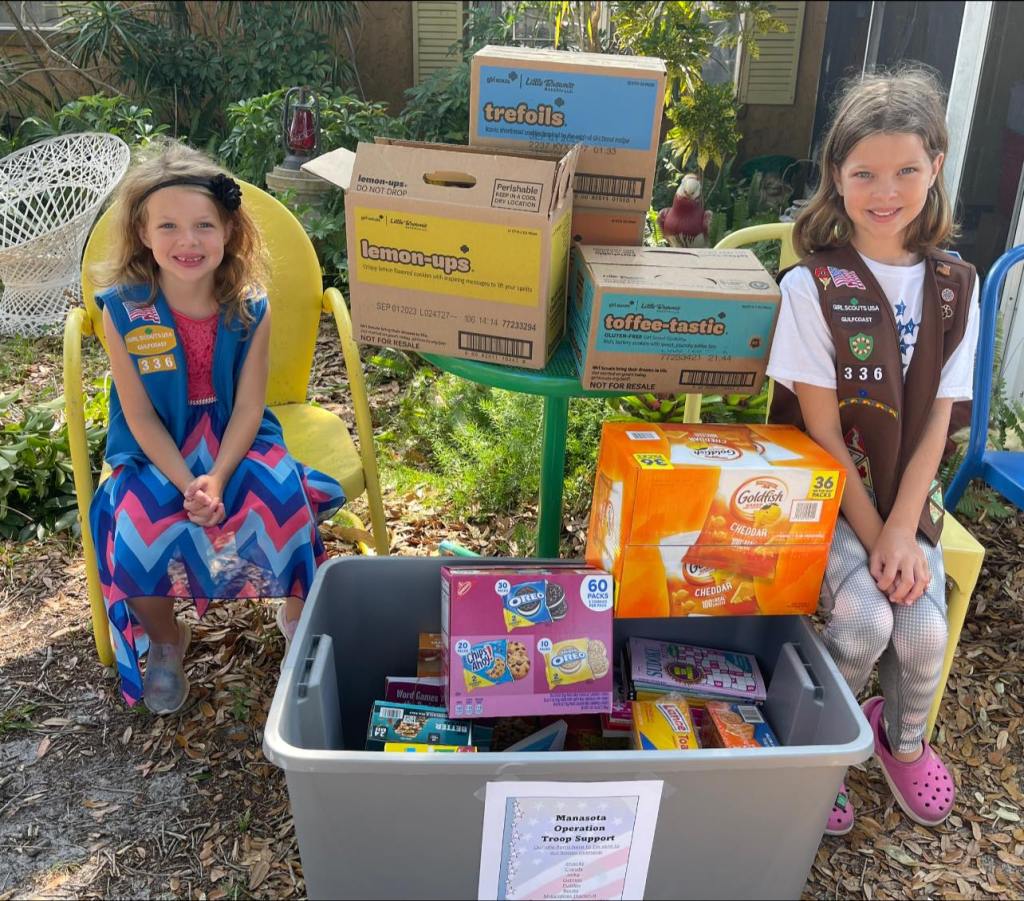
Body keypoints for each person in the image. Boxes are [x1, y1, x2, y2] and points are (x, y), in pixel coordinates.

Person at [766, 68, 980, 834]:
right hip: (828, 496)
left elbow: (939, 420)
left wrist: (903, 529)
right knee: (862, 620)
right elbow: (821, 434)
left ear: (936, 167)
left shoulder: (958, 284)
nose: (885, 190)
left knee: (921, 631)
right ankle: (821, 746)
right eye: (864, 173)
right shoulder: (812, 287)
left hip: (908, 501)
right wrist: (874, 529)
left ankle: (900, 739)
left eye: (906, 171)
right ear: (837, 176)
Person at [90, 139, 345, 715]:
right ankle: (165, 639)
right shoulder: (124, 310)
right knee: (134, 525)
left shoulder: (250, 305)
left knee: (282, 501)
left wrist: (220, 475)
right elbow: (138, 415)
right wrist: (189, 483)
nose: (188, 241)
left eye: (205, 224)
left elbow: (252, 408)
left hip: (235, 435)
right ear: (142, 233)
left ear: (229, 231)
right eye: (170, 226)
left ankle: (297, 615)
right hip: (157, 444)